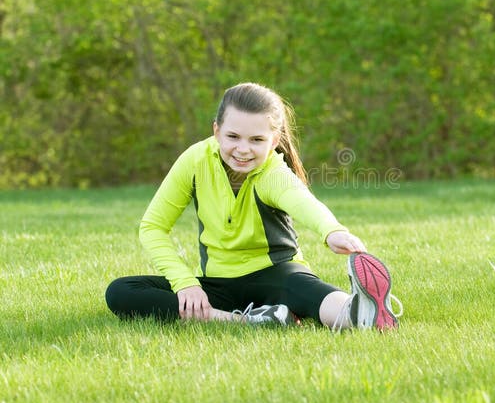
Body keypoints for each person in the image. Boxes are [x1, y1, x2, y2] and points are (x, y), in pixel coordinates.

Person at [105, 82, 402, 332]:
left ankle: (358, 313)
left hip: (276, 275)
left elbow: (303, 202)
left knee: (309, 294)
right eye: (233, 136)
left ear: (274, 140)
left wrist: (332, 231)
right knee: (121, 292)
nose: (243, 149)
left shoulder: (273, 173)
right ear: (217, 130)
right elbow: (153, 227)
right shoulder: (194, 160)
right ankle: (246, 320)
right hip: (217, 284)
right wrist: (185, 284)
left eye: (257, 140)